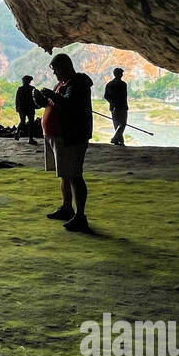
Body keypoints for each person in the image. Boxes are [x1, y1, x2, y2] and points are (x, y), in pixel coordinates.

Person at [47, 52, 93, 232]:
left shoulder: (78, 83)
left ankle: (80, 216)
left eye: (55, 69)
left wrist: (53, 95)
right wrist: (45, 100)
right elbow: (58, 103)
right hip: (62, 135)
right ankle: (67, 208)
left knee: (75, 175)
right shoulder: (64, 84)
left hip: (73, 135)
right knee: (65, 174)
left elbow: (69, 105)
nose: (54, 74)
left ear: (64, 67)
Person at [104, 68, 128, 146]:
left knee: (117, 125)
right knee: (123, 124)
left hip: (114, 108)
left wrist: (113, 104)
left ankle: (120, 142)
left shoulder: (109, 84)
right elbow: (124, 96)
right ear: (119, 74)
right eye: (121, 73)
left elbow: (106, 96)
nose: (122, 75)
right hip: (122, 107)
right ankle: (115, 139)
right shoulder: (123, 84)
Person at [15, 74, 41, 144]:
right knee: (31, 123)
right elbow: (35, 98)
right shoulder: (32, 88)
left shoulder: (20, 89)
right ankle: (30, 139)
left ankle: (17, 132)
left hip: (23, 108)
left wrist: (17, 108)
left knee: (23, 121)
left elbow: (17, 100)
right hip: (29, 108)